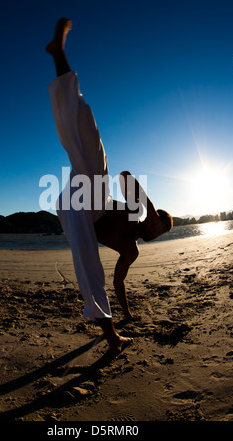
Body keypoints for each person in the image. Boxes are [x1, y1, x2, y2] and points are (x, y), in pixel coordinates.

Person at [46, 18, 172, 355]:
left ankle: (112, 334)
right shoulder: (137, 212)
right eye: (161, 226)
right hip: (86, 197)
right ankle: (58, 56)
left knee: (91, 268)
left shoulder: (131, 250)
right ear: (154, 220)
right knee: (89, 134)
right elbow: (126, 177)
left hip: (81, 212)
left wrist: (129, 313)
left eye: (162, 232)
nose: (158, 233)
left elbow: (118, 282)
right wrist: (149, 207)